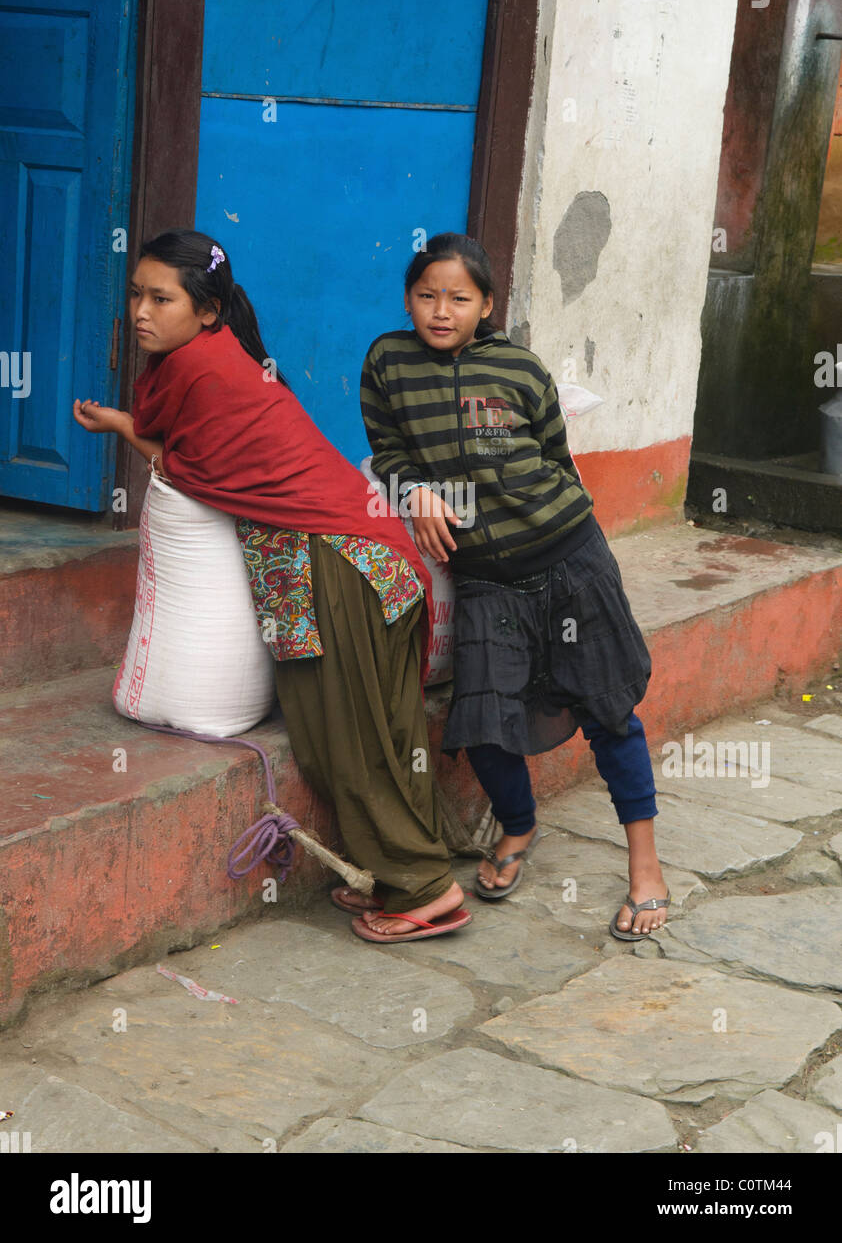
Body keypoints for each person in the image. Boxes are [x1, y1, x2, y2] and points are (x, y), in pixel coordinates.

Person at [73, 228, 471, 945]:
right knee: (381, 730)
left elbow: (187, 470)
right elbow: (195, 459)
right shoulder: (217, 358)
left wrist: (127, 429)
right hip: (354, 558)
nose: (140, 311)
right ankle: (407, 874)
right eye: (136, 294)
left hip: (336, 567)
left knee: (346, 738)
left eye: (160, 298)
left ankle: (424, 890)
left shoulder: (201, 369)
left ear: (207, 311)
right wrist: (123, 424)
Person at [360, 232, 670, 939]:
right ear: (408, 299)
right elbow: (388, 449)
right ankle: (519, 826)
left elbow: (557, 459)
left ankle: (645, 867)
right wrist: (415, 492)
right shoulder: (387, 363)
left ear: (488, 305)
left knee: (609, 709)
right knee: (482, 719)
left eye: (459, 298)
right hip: (485, 579)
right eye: (426, 295)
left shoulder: (520, 369)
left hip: (568, 557)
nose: (441, 310)